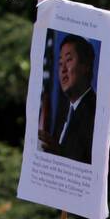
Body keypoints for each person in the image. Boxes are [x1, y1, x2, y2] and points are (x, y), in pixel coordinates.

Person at [39, 34, 96, 164]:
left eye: (69, 60)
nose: (63, 69)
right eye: (60, 63)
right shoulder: (63, 112)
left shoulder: (95, 113)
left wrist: (59, 153)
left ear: (86, 66)